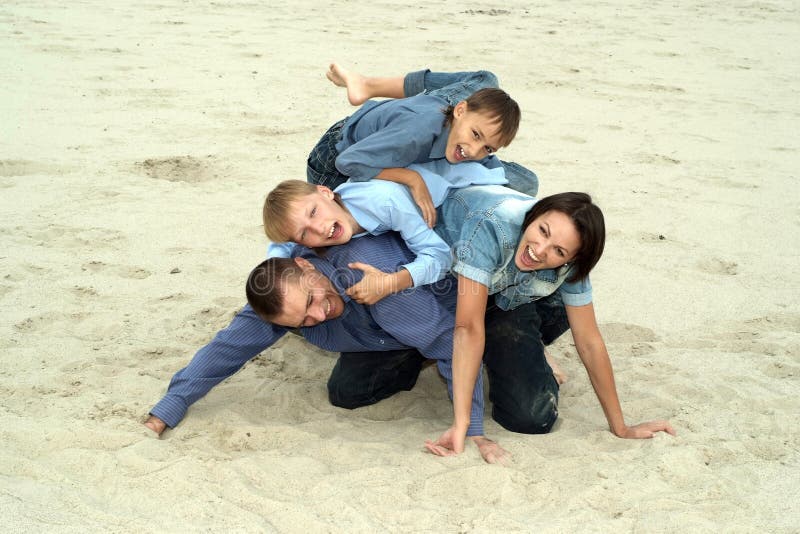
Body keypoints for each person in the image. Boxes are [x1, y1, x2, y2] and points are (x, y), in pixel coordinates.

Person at [143, 232, 514, 462]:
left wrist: (471, 428)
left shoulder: (366, 274)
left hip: (469, 309)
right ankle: (414, 354)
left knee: (527, 410)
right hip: (392, 336)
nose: (318, 316)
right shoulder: (283, 296)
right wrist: (168, 408)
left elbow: (450, 342)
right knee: (347, 392)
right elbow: (228, 348)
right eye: (302, 323)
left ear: (305, 266)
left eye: (311, 302)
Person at [424, 186, 676, 458]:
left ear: (572, 259)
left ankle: (532, 348)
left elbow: (589, 341)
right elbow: (468, 328)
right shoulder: (492, 225)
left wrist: (620, 427)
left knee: (532, 418)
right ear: (536, 213)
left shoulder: (573, 265)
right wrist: (466, 425)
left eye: (559, 251)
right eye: (543, 231)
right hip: (441, 288)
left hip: (510, 297)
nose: (540, 250)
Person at [308, 63, 538, 227]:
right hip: (334, 160)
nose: (475, 151)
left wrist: (479, 145)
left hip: (426, 136)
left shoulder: (464, 135)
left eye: (488, 148)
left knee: (526, 182)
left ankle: (367, 85)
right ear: (459, 109)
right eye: (476, 135)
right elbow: (348, 161)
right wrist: (413, 180)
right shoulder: (416, 131)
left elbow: (476, 146)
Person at [262, 158, 510, 304]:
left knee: (522, 182)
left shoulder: (384, 201)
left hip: (460, 181)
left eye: (314, 212)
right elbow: (283, 245)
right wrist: (275, 268)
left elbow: (439, 255)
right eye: (305, 234)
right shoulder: (329, 220)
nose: (318, 228)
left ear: (325, 192)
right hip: (417, 187)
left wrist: (391, 282)